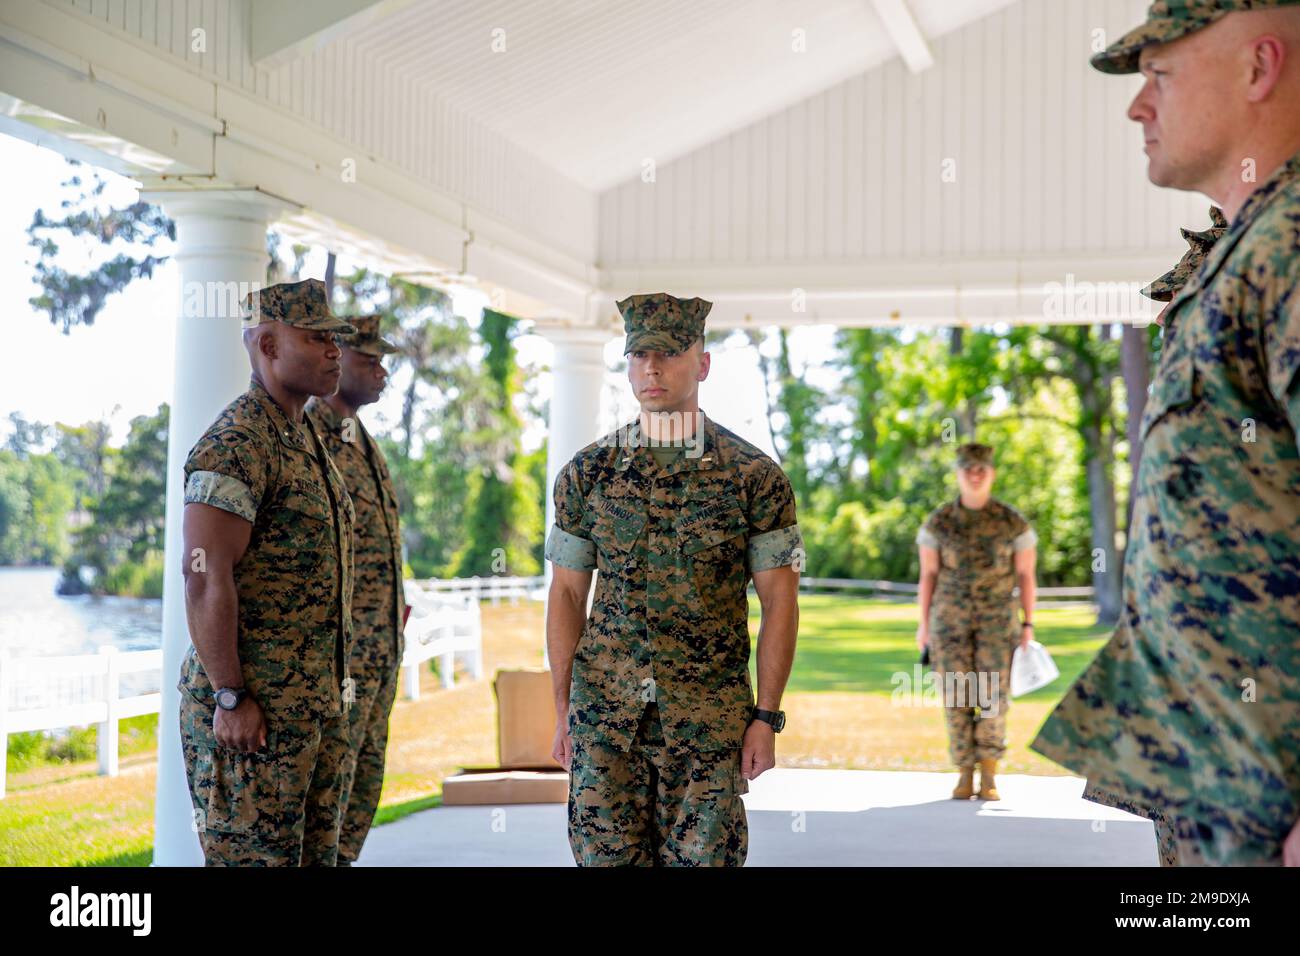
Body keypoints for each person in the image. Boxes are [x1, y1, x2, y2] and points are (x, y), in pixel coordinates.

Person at [1030, 0, 1300, 866]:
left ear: (1259, 68)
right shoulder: (1248, 248)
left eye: (1160, 75)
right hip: (1222, 787)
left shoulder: (1289, 245)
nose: (1137, 107)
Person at [544, 292, 802, 866]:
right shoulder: (586, 476)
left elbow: (780, 602)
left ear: (702, 364)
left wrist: (765, 718)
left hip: (708, 727)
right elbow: (566, 593)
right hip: (605, 722)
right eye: (638, 354)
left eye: (668, 352)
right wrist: (563, 711)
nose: (652, 368)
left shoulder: (754, 478)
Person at [178, 278, 357, 866]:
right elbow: (204, 574)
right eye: (315, 338)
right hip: (254, 719)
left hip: (312, 709)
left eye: (335, 340)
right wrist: (230, 696)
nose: (333, 351)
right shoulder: (236, 442)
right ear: (267, 345)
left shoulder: (304, 436)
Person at [306, 315, 405, 867]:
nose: (381, 371)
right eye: (369, 359)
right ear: (338, 358)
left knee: (363, 787)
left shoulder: (362, 443)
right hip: (339, 662)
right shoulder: (310, 435)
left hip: (380, 653)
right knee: (327, 798)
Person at [916, 443, 1037, 802]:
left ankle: (989, 773)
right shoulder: (939, 522)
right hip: (948, 624)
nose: (975, 474)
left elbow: (1026, 575)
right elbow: (929, 575)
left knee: (992, 697)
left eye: (982, 467)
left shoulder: (1012, 522)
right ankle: (964, 773)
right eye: (968, 468)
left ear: (992, 472)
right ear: (958, 473)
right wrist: (923, 626)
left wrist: (1029, 624)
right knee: (956, 696)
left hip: (997, 624)